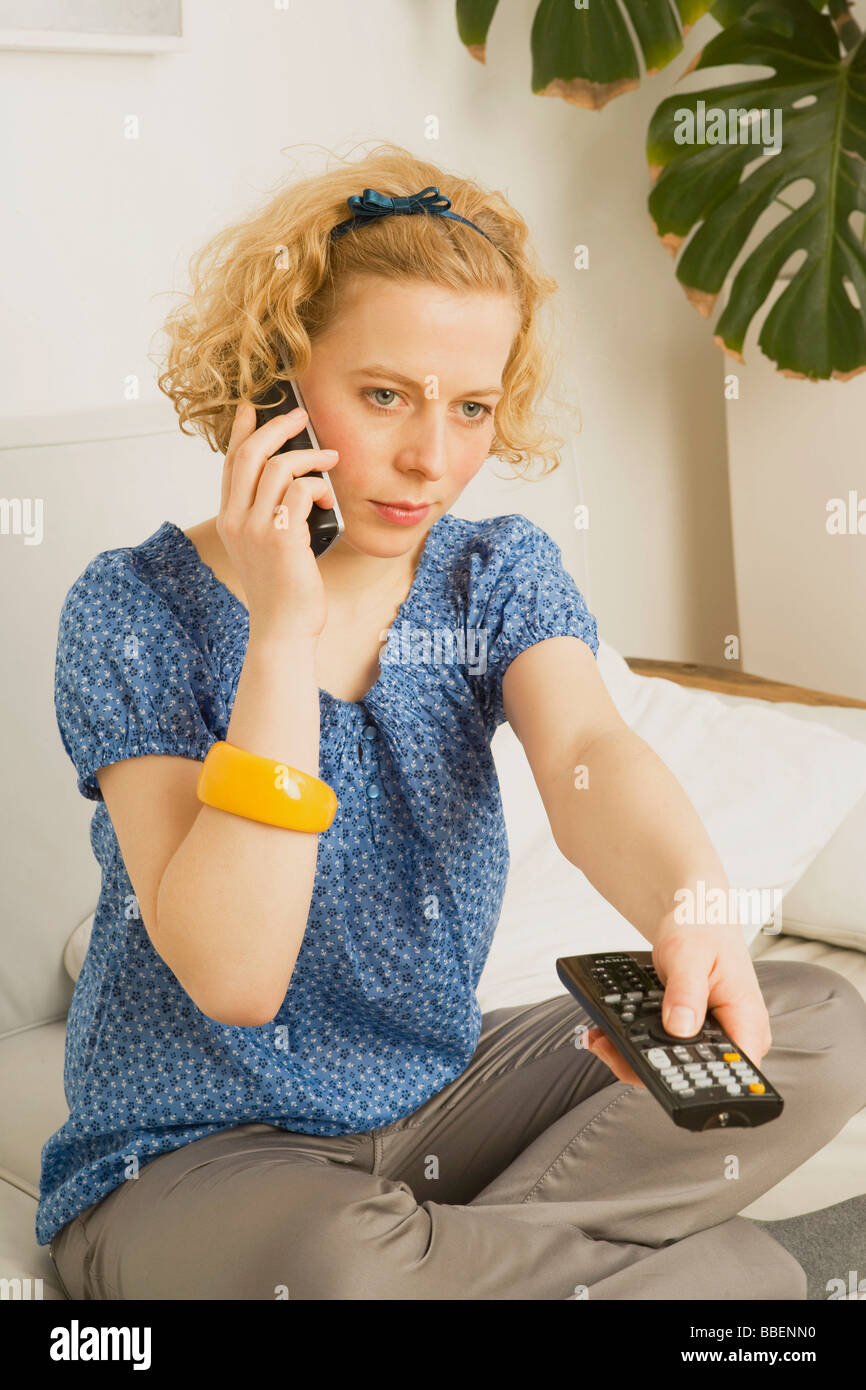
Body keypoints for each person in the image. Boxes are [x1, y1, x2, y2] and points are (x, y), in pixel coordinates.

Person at [42, 142, 866, 1301]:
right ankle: (619, 1272)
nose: (431, 458)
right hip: (197, 1158)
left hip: (437, 1106)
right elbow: (236, 973)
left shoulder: (491, 573)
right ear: (270, 382)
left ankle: (456, 1270)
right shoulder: (133, 609)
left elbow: (586, 752)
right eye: (384, 396)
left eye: (470, 407)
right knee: (330, 1265)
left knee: (819, 1023)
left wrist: (691, 905)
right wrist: (282, 629)